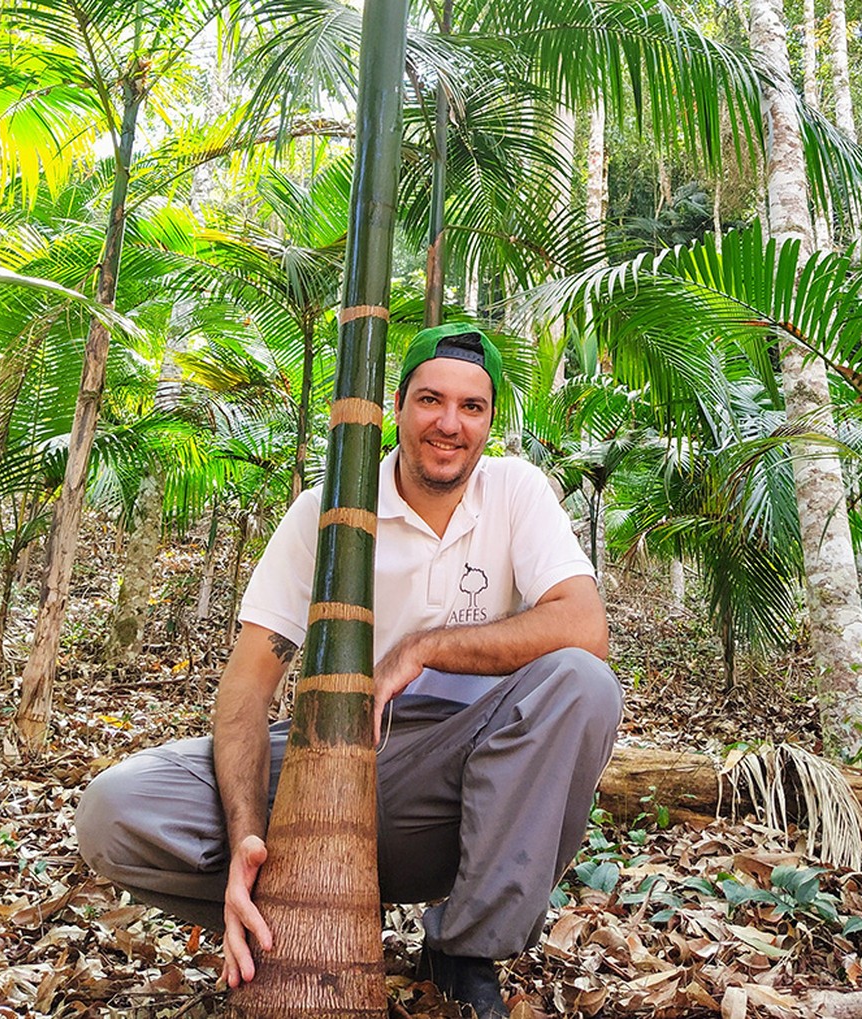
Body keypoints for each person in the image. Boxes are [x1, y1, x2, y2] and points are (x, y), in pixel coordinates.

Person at [76, 322, 623, 1019]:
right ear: (397, 407)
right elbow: (246, 690)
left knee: (582, 683)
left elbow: (584, 625)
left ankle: (462, 945)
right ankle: (284, 908)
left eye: (471, 407)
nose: (449, 424)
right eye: (430, 399)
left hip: (456, 776)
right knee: (115, 809)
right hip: (327, 756)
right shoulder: (327, 509)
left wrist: (422, 647)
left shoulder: (514, 491)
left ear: (488, 420)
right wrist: (246, 829)